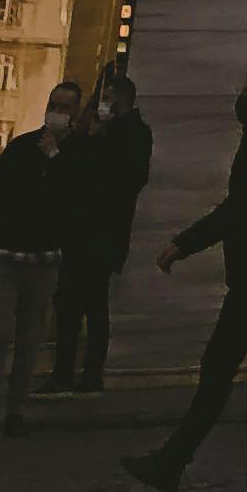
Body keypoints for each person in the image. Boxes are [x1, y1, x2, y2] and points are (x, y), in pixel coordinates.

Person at [122, 58, 247, 492]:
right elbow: (246, 206)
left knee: (235, 368)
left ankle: (175, 461)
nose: (242, 99)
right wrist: (187, 243)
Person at [0, 77, 84, 437]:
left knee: (30, 338)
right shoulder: (22, 148)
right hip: (7, 255)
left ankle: (16, 409)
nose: (57, 113)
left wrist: (56, 158)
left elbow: (77, 199)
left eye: (64, 108)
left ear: (75, 113)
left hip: (45, 260)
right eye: (53, 105)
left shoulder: (79, 154)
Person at [50, 65, 153, 392]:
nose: (100, 106)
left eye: (106, 99)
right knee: (76, 303)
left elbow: (117, 179)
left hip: (99, 233)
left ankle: (82, 373)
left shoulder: (128, 135)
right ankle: (74, 372)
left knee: (89, 304)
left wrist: (93, 142)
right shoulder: (108, 133)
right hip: (88, 231)